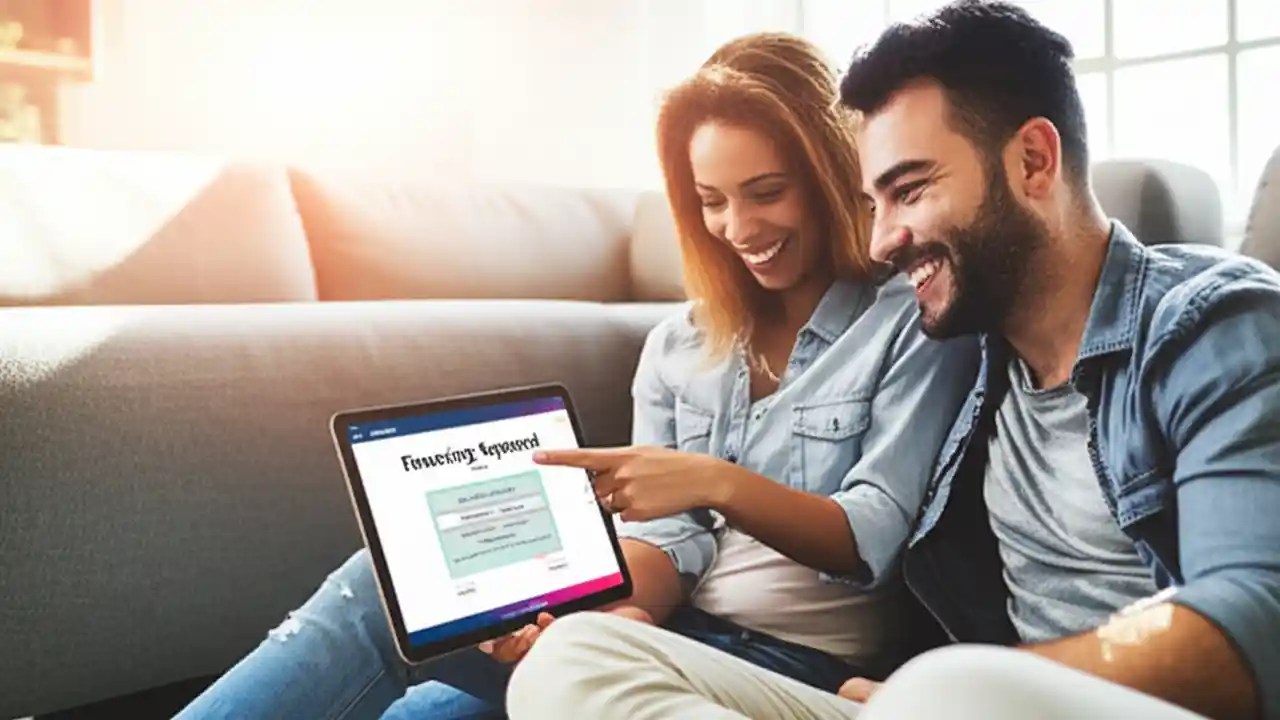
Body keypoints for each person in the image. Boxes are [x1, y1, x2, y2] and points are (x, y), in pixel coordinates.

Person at [504, 3, 1280, 720]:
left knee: (944, 685)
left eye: (911, 190)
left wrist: (981, 685)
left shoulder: (1209, 322)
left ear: (1034, 161)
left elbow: (1256, 617)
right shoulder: (976, 361)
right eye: (875, 203)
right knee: (573, 659)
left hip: (1024, 702)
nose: (881, 242)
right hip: (936, 703)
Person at [177, 32, 977, 720]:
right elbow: (669, 541)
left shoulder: (913, 323)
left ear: (832, 174)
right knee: (414, 664)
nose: (740, 228)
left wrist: (709, 480)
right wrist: (605, 619)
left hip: (794, 668)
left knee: (371, 603)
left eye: (767, 193)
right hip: (668, 638)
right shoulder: (679, 345)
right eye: (711, 201)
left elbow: (870, 536)